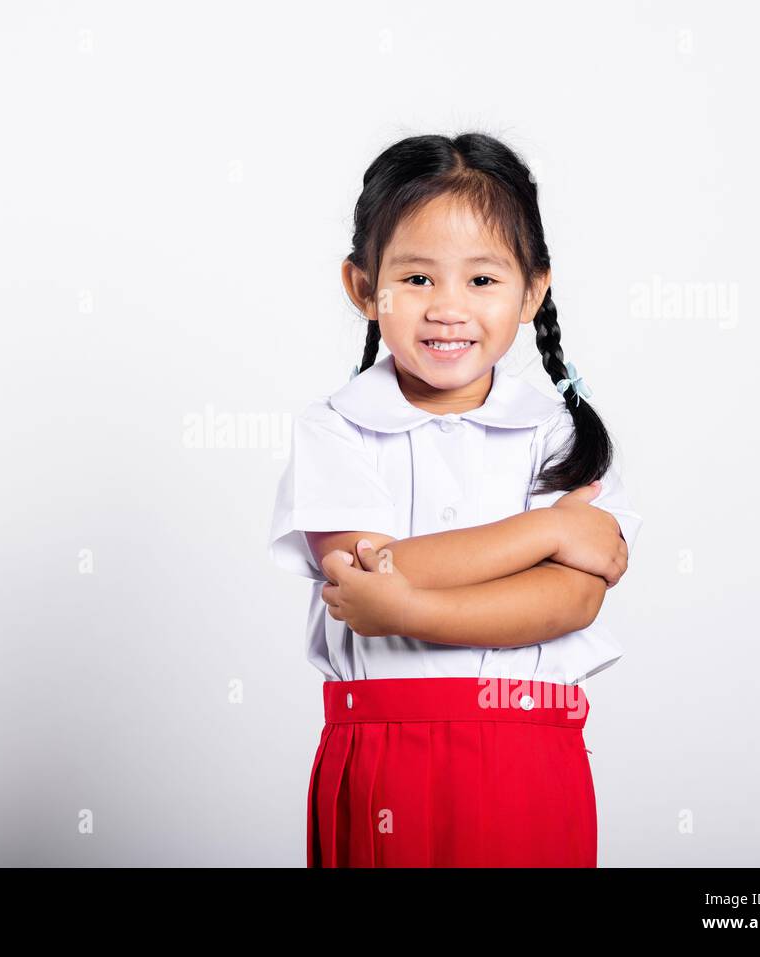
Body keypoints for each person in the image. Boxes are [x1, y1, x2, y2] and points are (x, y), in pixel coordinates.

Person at [267, 132, 644, 867]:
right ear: (362, 286)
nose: (447, 308)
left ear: (533, 290)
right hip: (382, 758)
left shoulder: (561, 433)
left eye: (481, 280)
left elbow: (570, 602)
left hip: (529, 758)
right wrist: (546, 534)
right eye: (415, 279)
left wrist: (410, 606)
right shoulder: (335, 427)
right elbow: (364, 572)